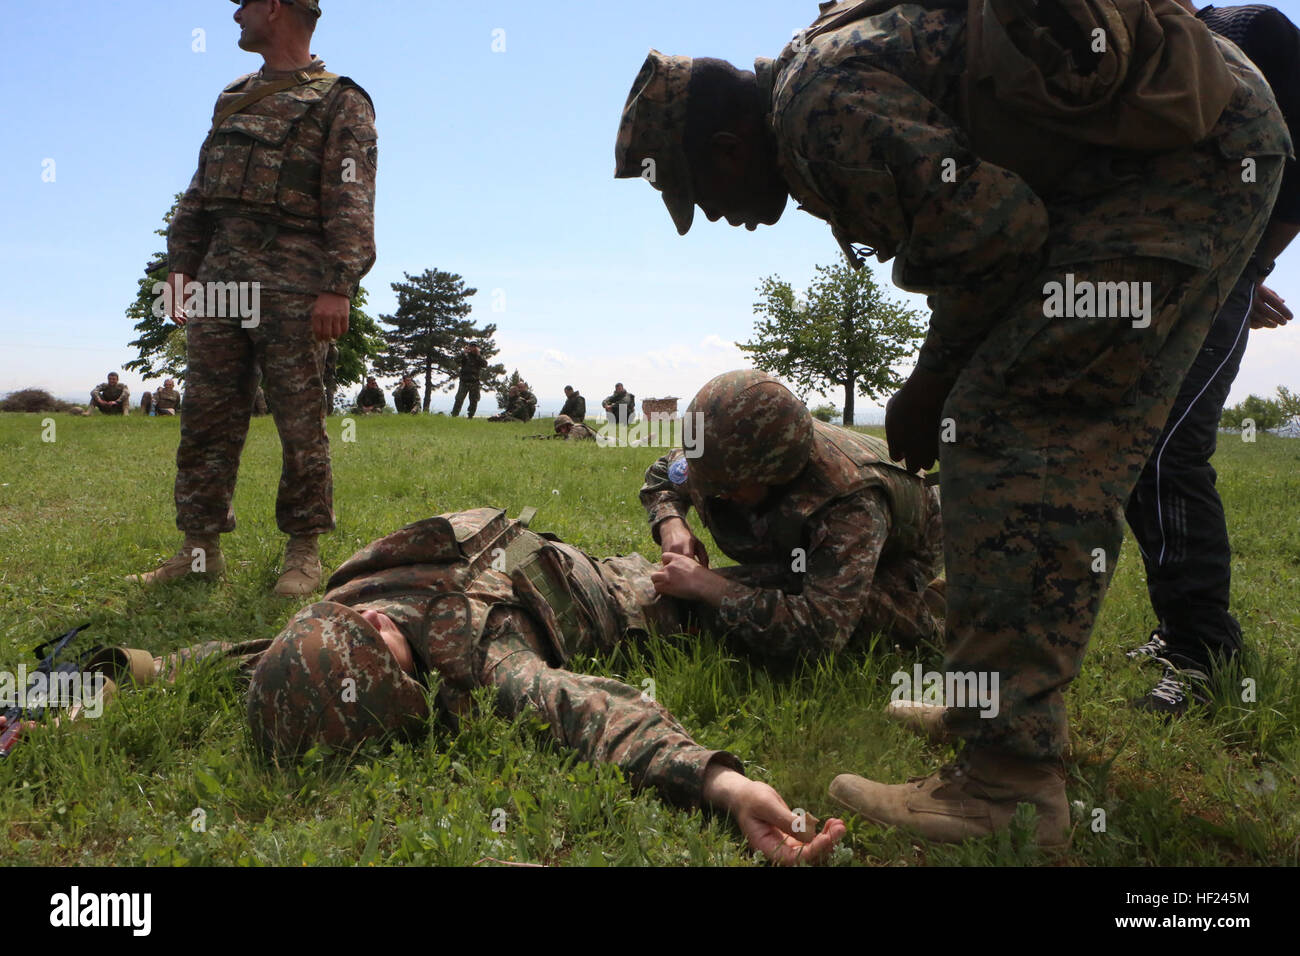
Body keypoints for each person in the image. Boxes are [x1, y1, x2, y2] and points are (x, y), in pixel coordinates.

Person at [614, 0, 1287, 845]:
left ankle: (1006, 782)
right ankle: (992, 709)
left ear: (726, 148)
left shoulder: (816, 110)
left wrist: (928, 385)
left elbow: (999, 231)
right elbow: (987, 218)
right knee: (1003, 423)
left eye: (699, 196)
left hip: (1189, 162)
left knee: (1013, 434)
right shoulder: (813, 86)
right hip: (1187, 149)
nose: (714, 216)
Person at [9, 508, 843, 865]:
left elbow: (214, 655)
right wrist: (725, 785)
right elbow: (595, 714)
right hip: (625, 603)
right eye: (376, 644)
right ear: (404, 696)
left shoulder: (327, 632)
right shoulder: (485, 669)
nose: (373, 620)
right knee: (756, 594)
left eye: (356, 623)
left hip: (552, 557)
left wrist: (77, 687)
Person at [135, 0, 377, 597]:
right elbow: (199, 189)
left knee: (300, 422)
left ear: (274, 7)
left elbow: (351, 198)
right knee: (207, 417)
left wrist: (337, 285)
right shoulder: (233, 95)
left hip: (295, 276)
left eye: (242, 4)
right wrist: (181, 266)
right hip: (221, 276)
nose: (234, 15)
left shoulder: (340, 98)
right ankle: (199, 549)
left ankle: (303, 550)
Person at [1123, 0, 1300, 715]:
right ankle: (1179, 633)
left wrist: (1248, 269)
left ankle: (1205, 656)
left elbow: (1297, 169)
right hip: (1155, 279)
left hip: (1219, 275)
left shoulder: (1251, 30)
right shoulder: (1133, 57)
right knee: (1140, 453)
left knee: (1170, 451)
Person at [641, 370, 943, 661]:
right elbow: (665, 473)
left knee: (861, 618)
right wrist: (671, 523)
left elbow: (821, 633)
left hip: (907, 547)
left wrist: (708, 586)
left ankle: (930, 611)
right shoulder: (721, 457)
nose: (719, 496)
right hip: (809, 535)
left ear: (778, 473)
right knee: (761, 590)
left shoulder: (850, 503)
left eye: (730, 489)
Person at [452, 345, 487, 418]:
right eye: (471, 346)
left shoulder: (479, 357)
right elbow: (456, 360)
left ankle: (470, 416)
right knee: (459, 399)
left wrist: (479, 355)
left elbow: (485, 364)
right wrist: (463, 352)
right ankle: (454, 415)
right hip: (464, 381)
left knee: (474, 400)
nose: (473, 348)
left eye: (474, 347)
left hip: (475, 382)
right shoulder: (465, 356)